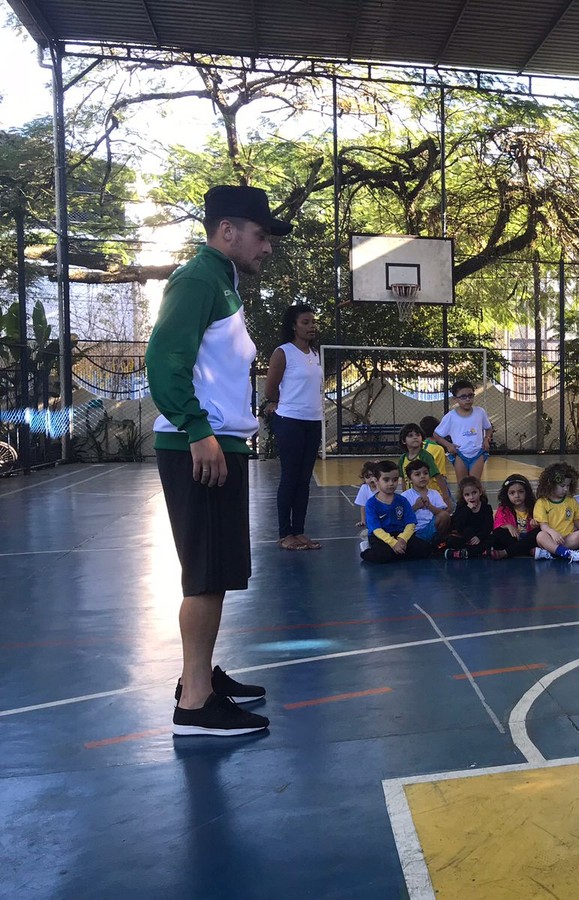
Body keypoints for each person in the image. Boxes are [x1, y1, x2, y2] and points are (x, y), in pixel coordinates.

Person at [147, 184, 292, 736]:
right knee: (204, 576)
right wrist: (196, 428)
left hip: (219, 444)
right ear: (226, 231)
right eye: (261, 236)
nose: (268, 247)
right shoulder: (197, 278)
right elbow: (163, 360)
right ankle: (195, 705)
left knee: (216, 574)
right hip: (200, 448)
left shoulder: (223, 280)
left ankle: (200, 674)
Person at [261, 304, 324, 551]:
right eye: (306, 322)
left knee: (304, 479)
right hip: (289, 422)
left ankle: (299, 531)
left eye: (313, 322)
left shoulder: (315, 353)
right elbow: (270, 389)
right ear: (293, 326)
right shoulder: (283, 352)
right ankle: (284, 534)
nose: (311, 326)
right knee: (290, 477)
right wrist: (280, 404)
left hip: (312, 421)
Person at [360, 459, 434, 562]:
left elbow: (411, 523)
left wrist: (403, 539)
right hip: (381, 536)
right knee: (383, 555)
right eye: (386, 480)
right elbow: (376, 529)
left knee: (425, 549)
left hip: (400, 534)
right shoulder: (371, 504)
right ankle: (367, 550)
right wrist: (393, 543)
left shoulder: (402, 500)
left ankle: (397, 551)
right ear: (376, 481)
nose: (391, 483)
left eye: (395, 480)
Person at [532, 462, 579, 563]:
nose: (566, 489)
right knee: (541, 536)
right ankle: (570, 554)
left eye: (568, 486)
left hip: (566, 539)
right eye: (562, 485)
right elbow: (543, 526)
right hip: (551, 538)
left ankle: (552, 553)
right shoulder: (542, 502)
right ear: (551, 484)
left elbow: (577, 520)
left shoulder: (570, 501)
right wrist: (552, 532)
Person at [433, 380, 492, 482]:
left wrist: (486, 439)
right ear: (455, 399)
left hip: (477, 453)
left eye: (470, 395)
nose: (468, 399)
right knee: (462, 484)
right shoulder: (451, 416)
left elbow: (488, 428)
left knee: (475, 483)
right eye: (463, 397)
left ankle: (479, 498)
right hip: (460, 454)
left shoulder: (480, 412)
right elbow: (436, 435)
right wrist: (449, 445)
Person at [401, 459, 450, 545]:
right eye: (417, 474)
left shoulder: (434, 493)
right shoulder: (405, 496)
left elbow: (443, 512)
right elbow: (400, 516)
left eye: (425, 473)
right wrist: (415, 506)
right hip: (413, 532)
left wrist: (430, 506)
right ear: (409, 479)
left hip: (431, 527)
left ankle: (437, 541)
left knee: (445, 516)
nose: (422, 476)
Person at [490, 473, 539, 560]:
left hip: (528, 538)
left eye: (520, 492)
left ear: (527, 492)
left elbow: (543, 522)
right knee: (498, 534)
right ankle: (525, 550)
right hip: (513, 539)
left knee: (538, 533)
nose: (516, 496)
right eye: (512, 493)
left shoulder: (535, 507)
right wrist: (508, 526)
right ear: (506, 494)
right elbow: (497, 524)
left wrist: (536, 525)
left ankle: (506, 552)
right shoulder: (503, 509)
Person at [445, 476, 493, 559]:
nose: (471, 497)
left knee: (493, 539)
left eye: (474, 493)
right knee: (451, 540)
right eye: (467, 495)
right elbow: (458, 525)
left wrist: (479, 537)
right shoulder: (461, 507)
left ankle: (462, 553)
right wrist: (467, 509)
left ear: (480, 492)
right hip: (465, 537)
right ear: (463, 496)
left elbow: (488, 526)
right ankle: (478, 552)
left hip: (480, 537)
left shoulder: (486, 507)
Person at [398, 423, 445, 499]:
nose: (415, 437)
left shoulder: (425, 456)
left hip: (429, 496)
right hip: (412, 496)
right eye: (410, 435)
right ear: (403, 441)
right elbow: (403, 480)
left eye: (417, 435)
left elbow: (438, 476)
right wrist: (405, 497)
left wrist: (446, 497)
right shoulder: (402, 459)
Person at [419, 415, 453, 508]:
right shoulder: (438, 449)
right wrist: (445, 495)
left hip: (420, 486)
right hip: (435, 488)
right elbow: (441, 475)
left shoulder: (420, 446)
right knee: (451, 507)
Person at [353, 460, 381, 532]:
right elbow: (363, 506)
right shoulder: (364, 488)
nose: (371, 479)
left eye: (374, 476)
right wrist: (363, 520)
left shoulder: (381, 487)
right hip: (372, 518)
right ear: (364, 478)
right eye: (368, 476)